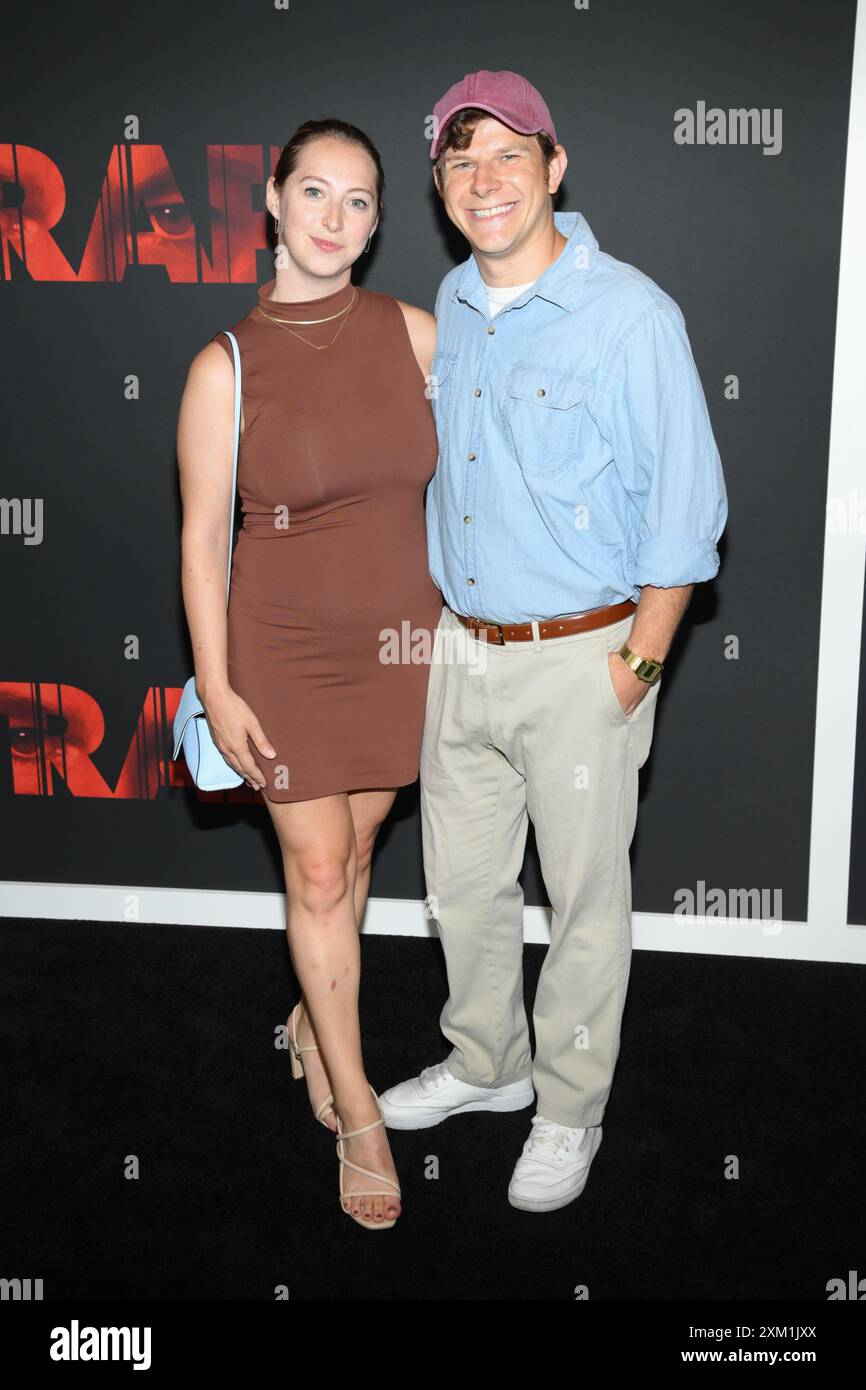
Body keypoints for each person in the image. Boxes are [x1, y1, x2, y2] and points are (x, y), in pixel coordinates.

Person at [379, 71, 728, 1211]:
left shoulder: (630, 314)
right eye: (459, 162)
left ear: (554, 165)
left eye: (506, 157)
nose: (484, 182)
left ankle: (568, 1107)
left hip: (585, 657)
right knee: (464, 888)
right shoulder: (451, 300)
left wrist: (636, 664)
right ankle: (486, 1062)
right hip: (461, 651)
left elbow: (683, 517)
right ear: (439, 185)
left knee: (581, 902)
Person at [176, 119, 443, 1230]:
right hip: (278, 648)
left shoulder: (421, 336)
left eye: (360, 201)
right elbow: (199, 543)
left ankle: (308, 1015)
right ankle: (357, 1103)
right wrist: (219, 682)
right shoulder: (221, 365)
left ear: (379, 221)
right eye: (315, 194)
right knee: (321, 872)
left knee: (362, 845)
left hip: (403, 649)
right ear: (274, 205)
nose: (335, 219)